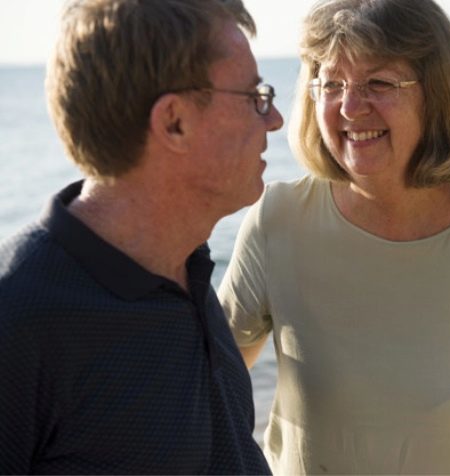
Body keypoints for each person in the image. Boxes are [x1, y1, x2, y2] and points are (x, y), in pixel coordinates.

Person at [219, 0, 450, 474]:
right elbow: (212, 386)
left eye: (379, 82)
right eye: (331, 84)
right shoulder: (277, 220)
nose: (349, 106)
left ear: (439, 93)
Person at [0, 0, 283, 473]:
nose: (273, 119)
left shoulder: (186, 264)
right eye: (255, 97)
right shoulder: (19, 317)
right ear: (174, 121)